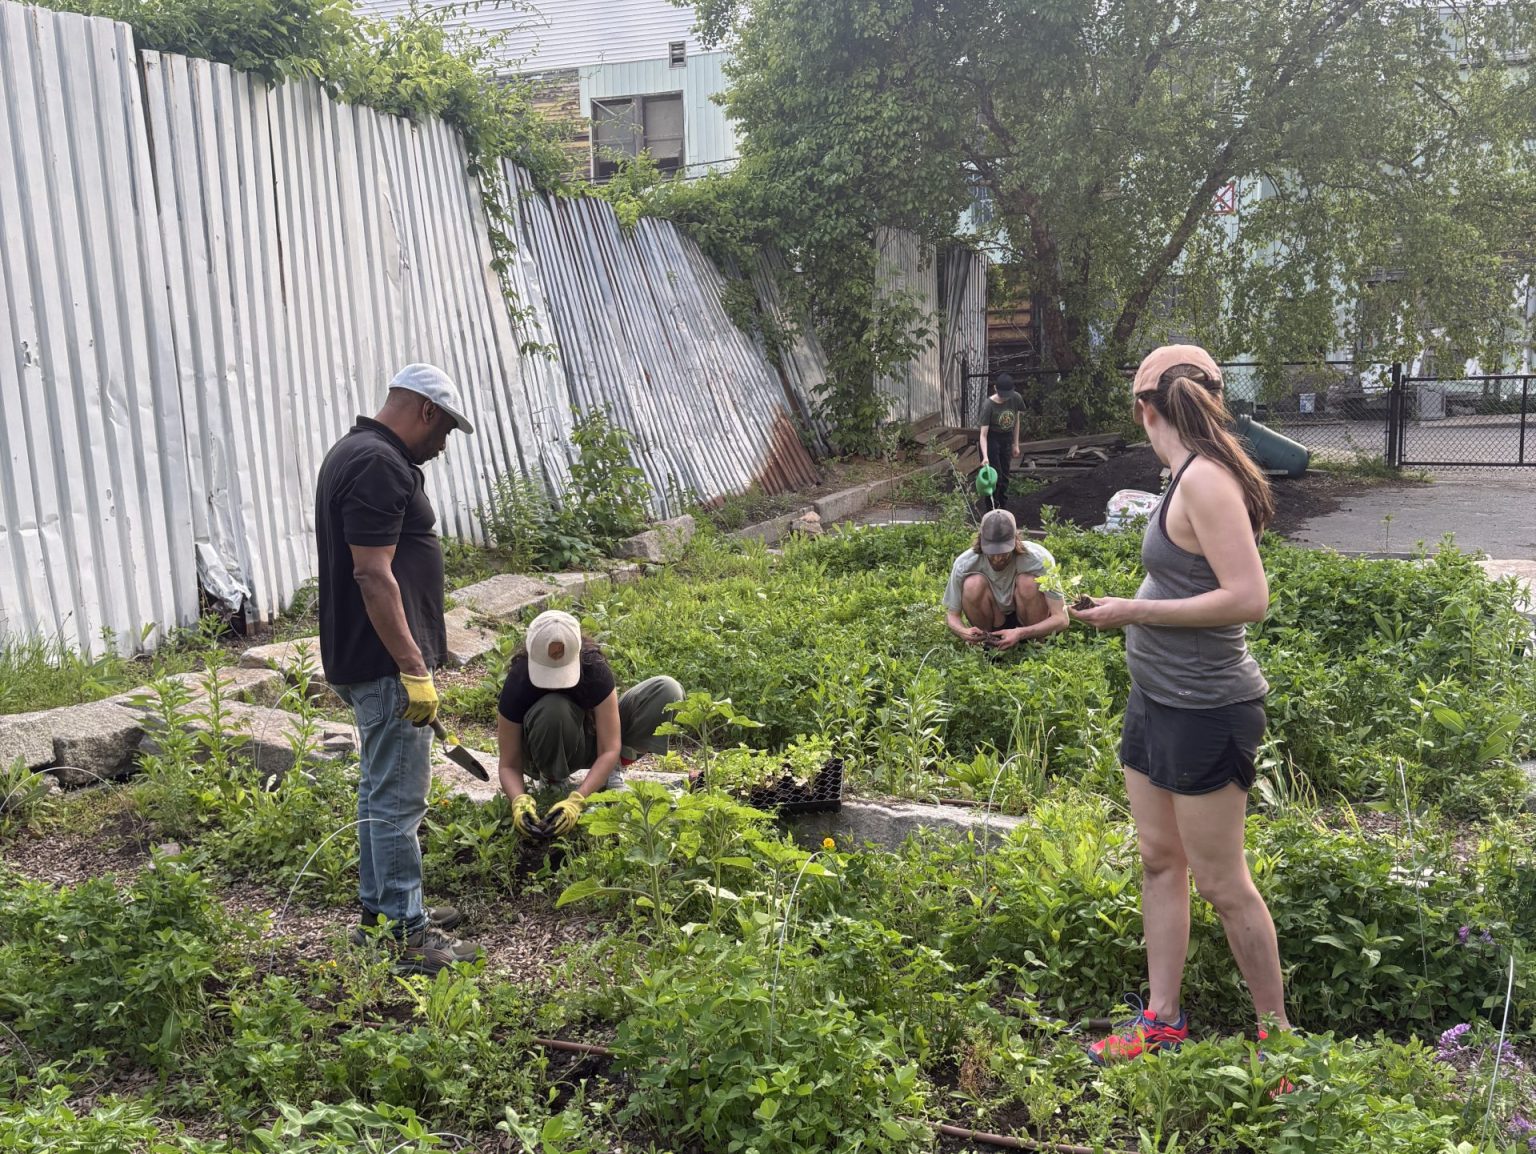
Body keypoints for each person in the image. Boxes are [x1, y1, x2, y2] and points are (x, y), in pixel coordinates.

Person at [1071, 344, 1290, 1063]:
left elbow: (1248, 598)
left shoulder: (1207, 481)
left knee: (1226, 883)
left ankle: (1279, 1042)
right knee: (1160, 859)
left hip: (1207, 709)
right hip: (1156, 699)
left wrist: (1134, 610)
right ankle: (1162, 1017)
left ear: (1144, 409)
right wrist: (1132, 611)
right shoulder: (1184, 475)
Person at [315, 363, 481, 974]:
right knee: (397, 799)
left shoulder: (354, 452)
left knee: (382, 790)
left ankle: (385, 911)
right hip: (387, 664)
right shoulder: (379, 464)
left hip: (374, 659)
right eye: (444, 432)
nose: (441, 448)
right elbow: (371, 572)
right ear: (425, 412)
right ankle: (401, 934)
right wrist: (412, 666)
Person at [497, 609, 684, 838]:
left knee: (666, 689)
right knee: (554, 707)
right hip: (543, 746)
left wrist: (577, 801)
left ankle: (612, 772)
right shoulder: (519, 679)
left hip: (591, 742)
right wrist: (519, 801)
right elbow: (508, 764)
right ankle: (553, 779)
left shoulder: (593, 667)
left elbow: (609, 747)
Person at [943, 508, 1068, 650]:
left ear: (1015, 540)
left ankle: (1035, 645)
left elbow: (1062, 619)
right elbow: (952, 616)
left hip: (1029, 621)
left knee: (1027, 583)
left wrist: (1020, 633)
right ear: (981, 541)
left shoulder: (1038, 560)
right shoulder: (964, 564)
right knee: (972, 584)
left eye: (1004, 552)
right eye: (992, 552)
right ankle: (989, 643)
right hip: (994, 617)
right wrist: (963, 631)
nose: (997, 558)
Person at [978, 372, 1024, 505]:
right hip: (992, 439)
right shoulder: (988, 405)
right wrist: (985, 457)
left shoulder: (1016, 398)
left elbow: (1016, 420)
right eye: (1002, 395)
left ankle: (1002, 508)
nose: (1005, 399)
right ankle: (991, 509)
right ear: (995, 389)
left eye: (1007, 395)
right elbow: (983, 435)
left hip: (1007, 438)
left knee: (1004, 477)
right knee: (994, 477)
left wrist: (1016, 444)